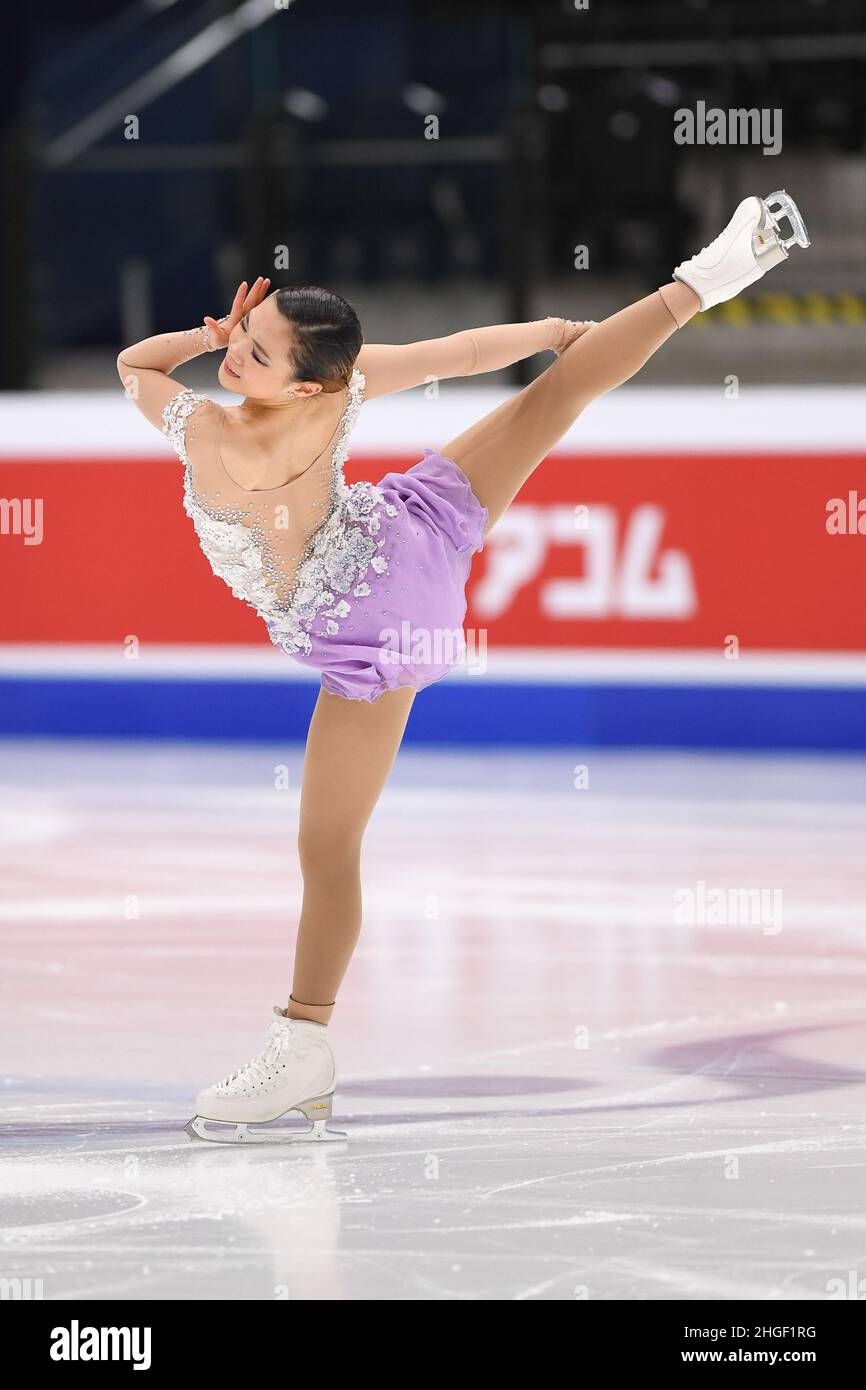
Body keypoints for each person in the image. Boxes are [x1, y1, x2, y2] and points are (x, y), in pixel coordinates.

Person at [117, 189, 809, 1144]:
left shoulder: (213, 432)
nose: (238, 351)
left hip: (366, 620)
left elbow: (131, 365)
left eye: (258, 350)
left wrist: (195, 346)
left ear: (307, 385)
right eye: (246, 330)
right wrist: (561, 327)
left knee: (327, 851)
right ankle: (705, 280)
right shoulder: (347, 389)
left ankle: (304, 1044)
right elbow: (466, 353)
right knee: (555, 393)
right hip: (405, 536)